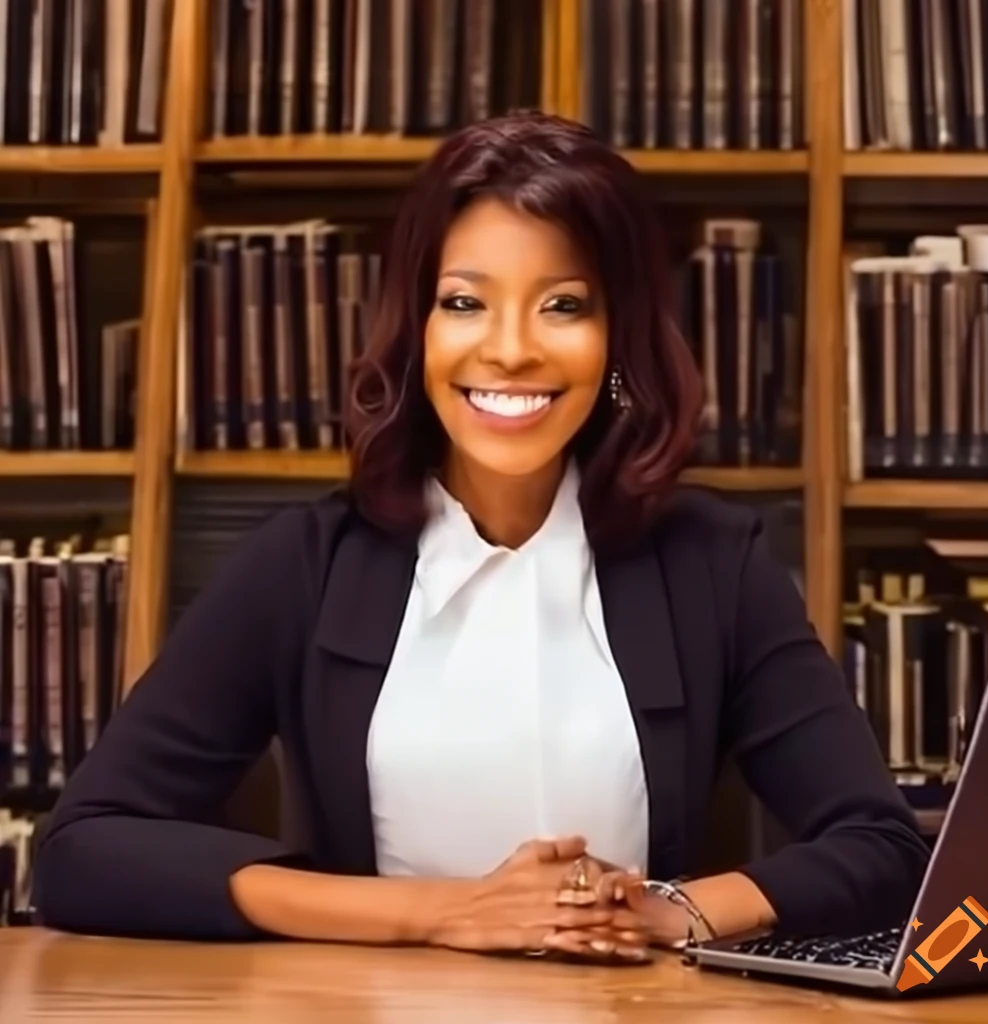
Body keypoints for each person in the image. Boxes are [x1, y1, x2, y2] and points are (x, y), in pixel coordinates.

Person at [33, 111, 929, 961]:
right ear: (416, 327)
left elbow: (881, 846)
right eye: (464, 303)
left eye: (564, 306)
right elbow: (85, 850)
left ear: (620, 337)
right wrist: (440, 913)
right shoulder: (303, 565)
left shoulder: (712, 561)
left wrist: (675, 911)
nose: (509, 350)